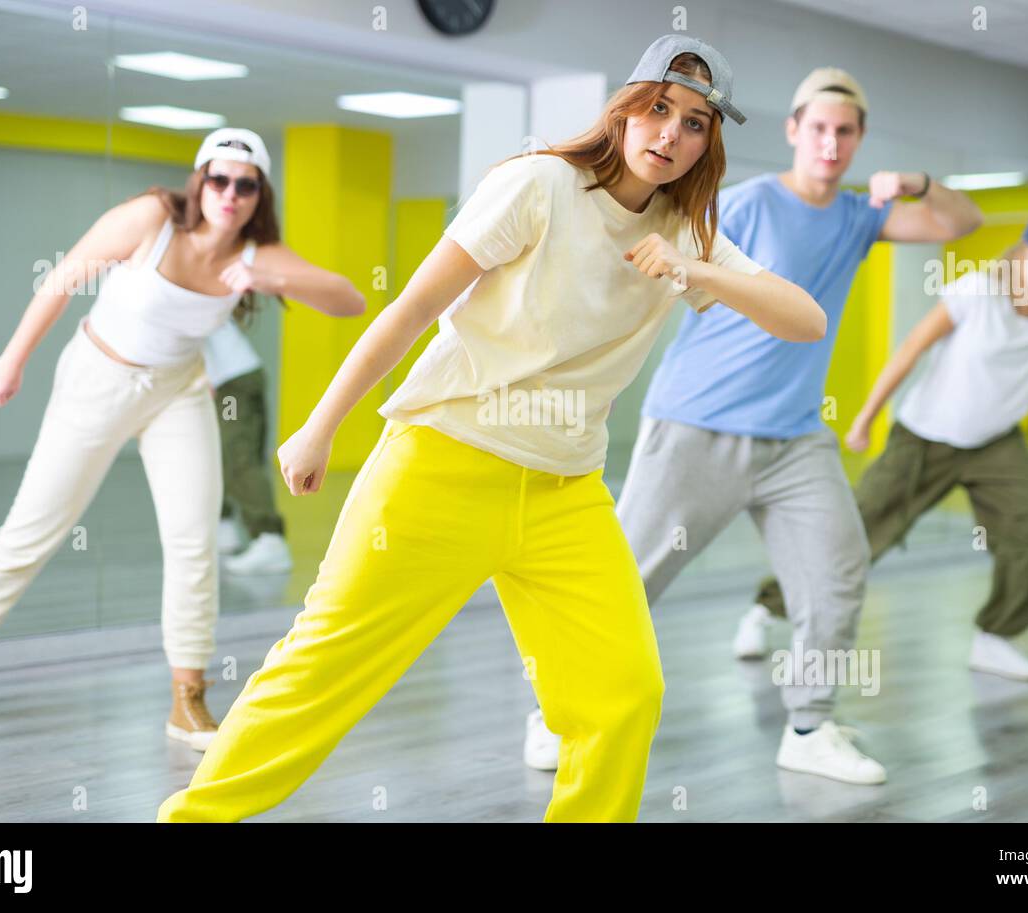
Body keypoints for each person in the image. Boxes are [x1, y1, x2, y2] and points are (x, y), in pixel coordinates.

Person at [158, 35, 824, 823]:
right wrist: (320, 425)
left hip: (565, 494)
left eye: (694, 123)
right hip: (441, 464)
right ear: (623, 110)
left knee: (624, 695)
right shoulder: (540, 184)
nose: (669, 135)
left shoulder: (687, 232)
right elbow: (412, 307)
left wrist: (699, 272)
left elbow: (806, 320)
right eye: (656, 109)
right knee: (322, 667)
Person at [523, 66, 984, 786]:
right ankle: (556, 713)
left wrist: (921, 181)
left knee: (838, 572)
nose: (831, 142)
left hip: (797, 437)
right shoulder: (743, 203)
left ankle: (808, 726)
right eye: (819, 127)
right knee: (628, 583)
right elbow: (660, 264)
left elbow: (963, 223)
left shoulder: (861, 218)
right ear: (795, 131)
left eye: (846, 131)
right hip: (696, 423)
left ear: (858, 140)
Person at [0, 129, 365, 752]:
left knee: (193, 539)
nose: (230, 194)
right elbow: (64, 277)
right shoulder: (153, 220)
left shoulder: (258, 253)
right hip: (97, 377)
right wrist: (12, 359)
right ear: (200, 180)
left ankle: (188, 695)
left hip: (177, 391)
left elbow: (350, 300)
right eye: (219, 179)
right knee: (32, 528)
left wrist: (268, 279)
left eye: (245, 184)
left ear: (260, 194)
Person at [757, 216, 1028, 684]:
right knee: (858, 532)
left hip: (994, 443)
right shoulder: (978, 291)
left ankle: (996, 639)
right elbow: (911, 348)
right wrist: (865, 419)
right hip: (926, 435)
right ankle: (768, 607)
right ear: (1022, 252)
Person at [205, 320, 294, 575]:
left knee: (239, 458)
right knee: (220, 452)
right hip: (238, 376)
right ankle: (224, 529)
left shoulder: (175, 287)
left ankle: (269, 540)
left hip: (231, 383)